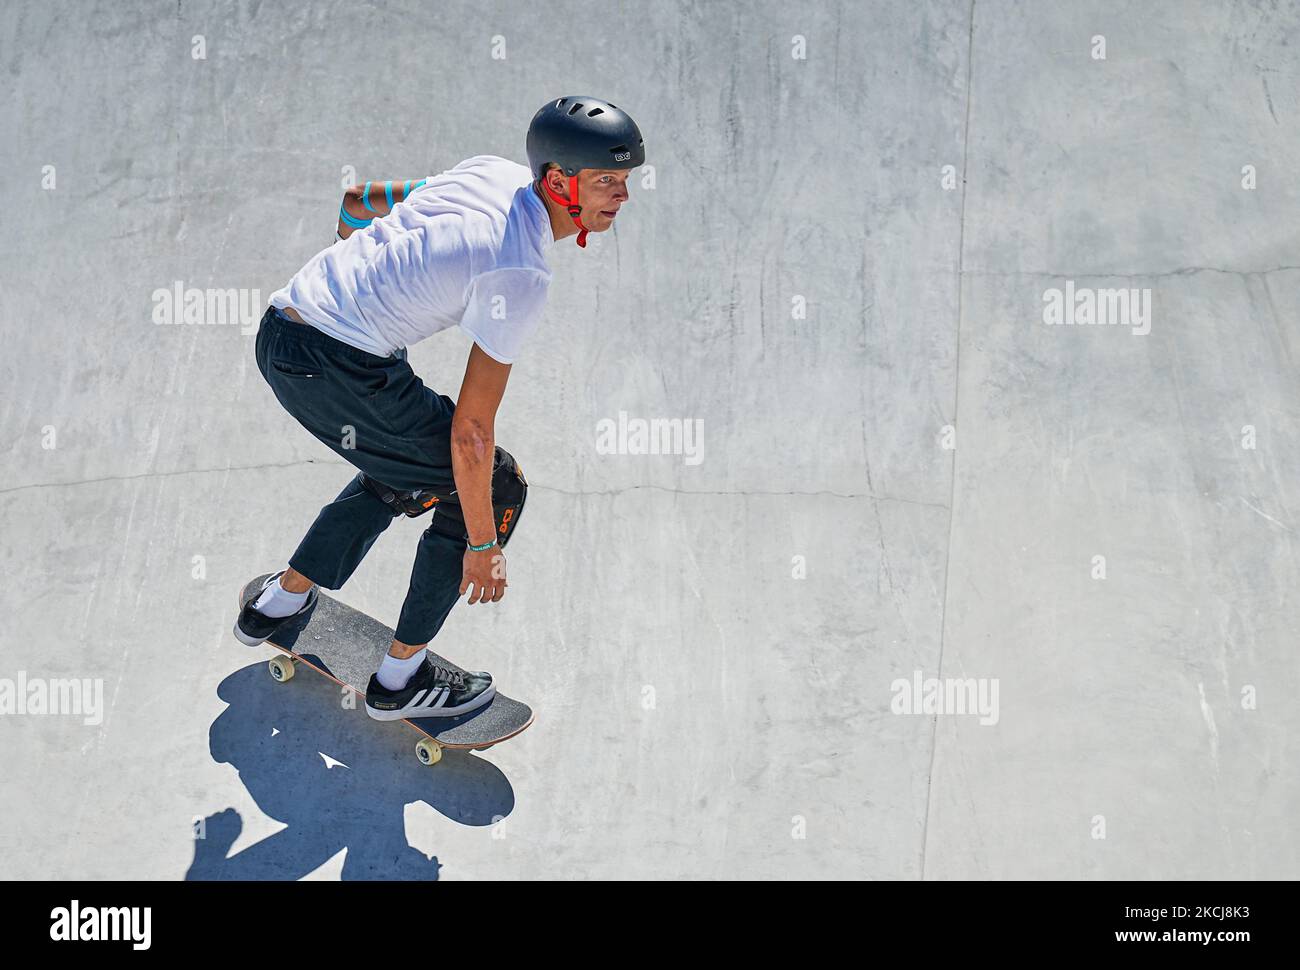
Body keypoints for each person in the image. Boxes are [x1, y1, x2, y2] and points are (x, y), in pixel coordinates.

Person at [233, 96, 645, 722]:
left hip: (282, 329)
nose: (622, 194)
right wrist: (483, 543)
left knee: (408, 463)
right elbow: (473, 436)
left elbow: (357, 202)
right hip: (338, 368)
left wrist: (356, 278)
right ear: (560, 181)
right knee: (491, 483)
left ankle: (280, 603)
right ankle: (399, 678)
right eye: (607, 181)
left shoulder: (491, 171)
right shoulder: (521, 271)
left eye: (625, 179)